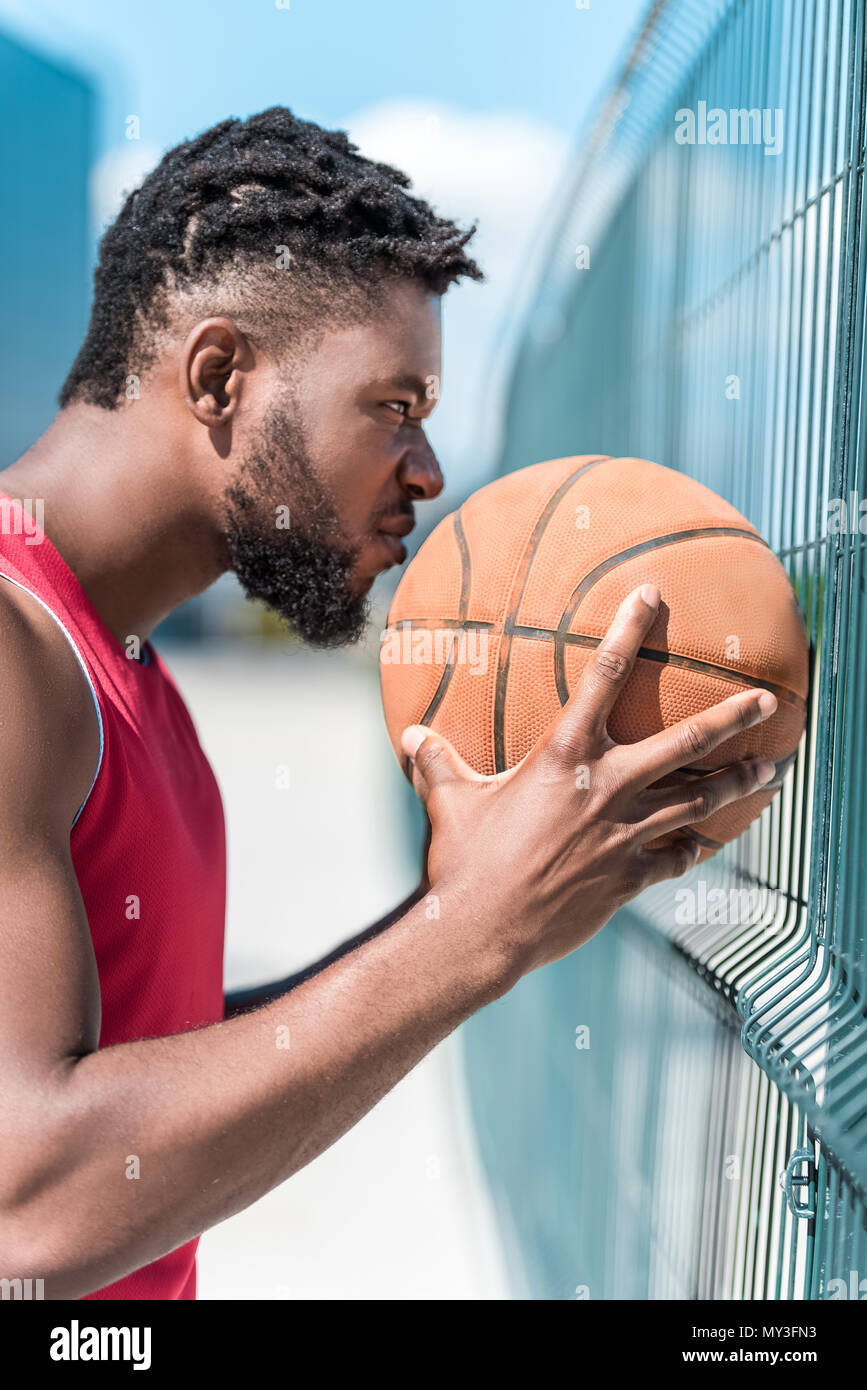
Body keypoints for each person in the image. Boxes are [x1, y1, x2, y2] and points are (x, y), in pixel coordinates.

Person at [0, 107, 778, 1299]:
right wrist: (471, 934)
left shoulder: (133, 676)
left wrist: (467, 909)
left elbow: (143, 1061)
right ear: (220, 378)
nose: (428, 470)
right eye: (394, 405)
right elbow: (31, 1206)